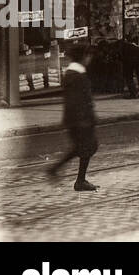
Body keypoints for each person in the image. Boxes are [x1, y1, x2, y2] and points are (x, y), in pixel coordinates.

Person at [47, 44, 100, 191]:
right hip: (80, 120)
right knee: (89, 146)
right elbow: (77, 101)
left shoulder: (74, 73)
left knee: (84, 147)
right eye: (88, 56)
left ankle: (58, 170)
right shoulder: (77, 76)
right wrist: (85, 120)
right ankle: (79, 180)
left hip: (76, 119)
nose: (90, 59)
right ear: (83, 57)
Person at [120, 30, 139, 98]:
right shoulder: (132, 46)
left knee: (129, 76)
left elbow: (122, 58)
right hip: (138, 58)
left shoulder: (123, 47)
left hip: (131, 60)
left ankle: (133, 93)